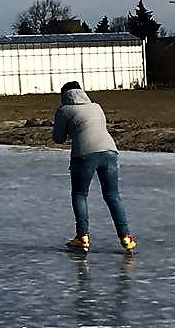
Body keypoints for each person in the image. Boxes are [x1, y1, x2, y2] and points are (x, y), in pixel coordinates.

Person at [53, 81, 136, 254]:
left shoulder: (64, 110)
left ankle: (82, 237)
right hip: (110, 151)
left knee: (80, 195)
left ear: (64, 96)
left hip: (84, 154)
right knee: (113, 195)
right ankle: (126, 237)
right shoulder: (96, 107)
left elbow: (58, 138)